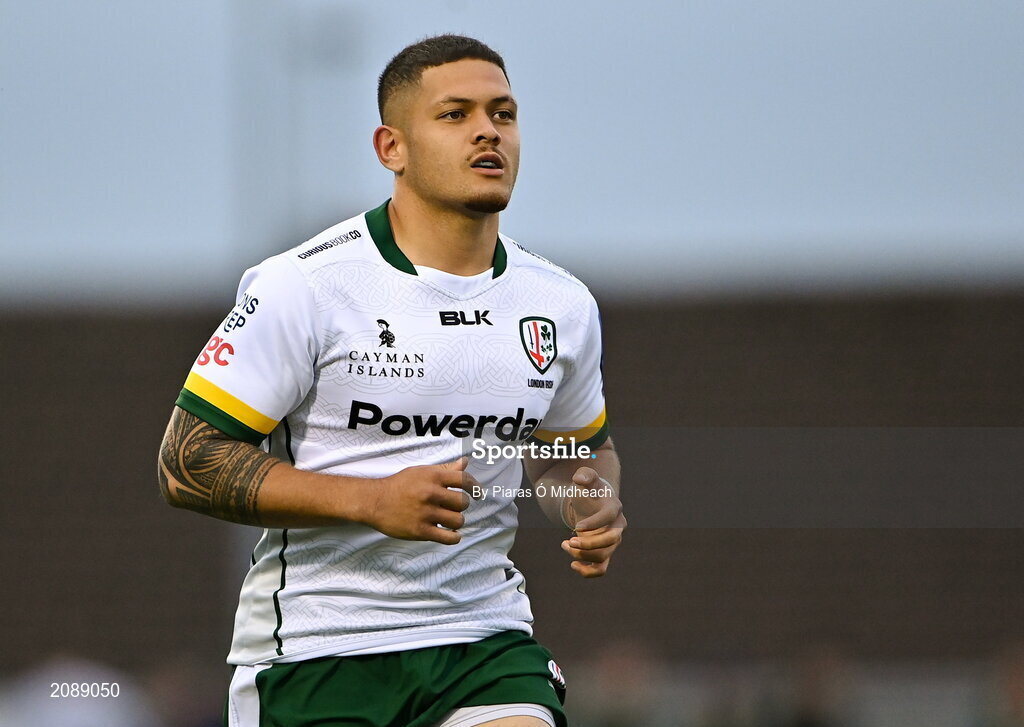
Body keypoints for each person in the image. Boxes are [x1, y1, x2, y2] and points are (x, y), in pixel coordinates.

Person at [158, 34, 624, 727]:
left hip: (481, 641)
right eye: (455, 114)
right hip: (315, 653)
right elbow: (185, 462)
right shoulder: (305, 286)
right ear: (391, 148)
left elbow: (569, 452)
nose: (487, 131)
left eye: (502, 113)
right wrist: (370, 500)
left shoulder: (560, 303)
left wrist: (588, 499)